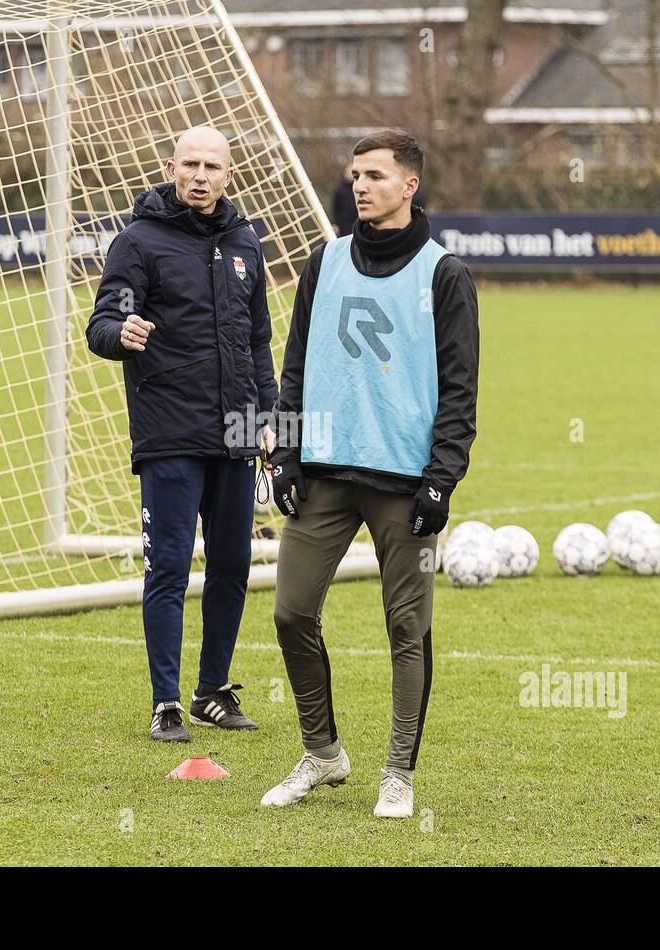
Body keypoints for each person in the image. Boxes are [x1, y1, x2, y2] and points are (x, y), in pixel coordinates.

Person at [263, 129, 479, 817]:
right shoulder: (322, 262)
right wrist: (284, 452)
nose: (361, 186)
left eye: (376, 176)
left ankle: (398, 774)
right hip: (323, 472)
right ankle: (322, 753)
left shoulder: (445, 274)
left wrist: (441, 480)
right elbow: (293, 366)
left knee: (406, 629)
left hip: (403, 483)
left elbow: (460, 390)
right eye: (356, 174)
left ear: (409, 186)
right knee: (291, 611)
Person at [86, 127, 277, 742]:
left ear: (229, 174)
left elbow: (257, 343)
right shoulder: (136, 242)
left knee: (232, 564)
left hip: (235, 433)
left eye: (211, 165)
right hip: (169, 430)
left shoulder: (247, 241)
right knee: (168, 566)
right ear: (171, 168)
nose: (200, 174)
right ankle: (165, 701)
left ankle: (211, 692)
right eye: (189, 163)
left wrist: (269, 418)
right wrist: (123, 334)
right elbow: (102, 323)